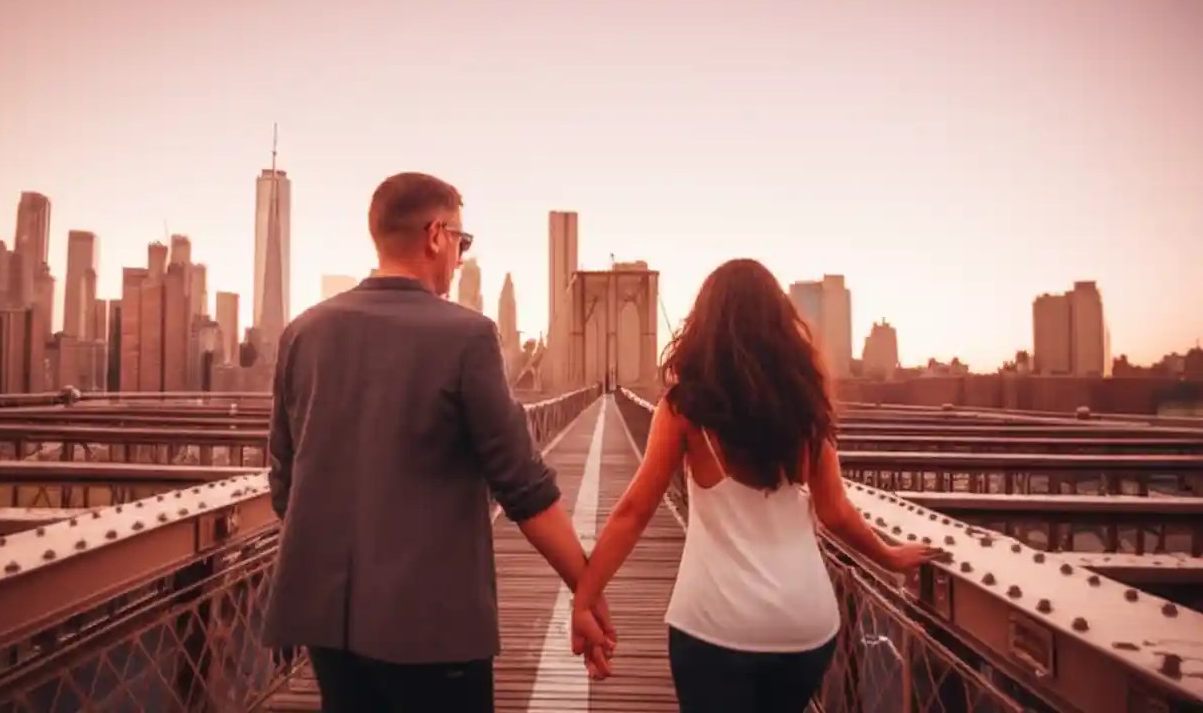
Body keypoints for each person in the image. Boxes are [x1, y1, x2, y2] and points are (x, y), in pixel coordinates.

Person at [262, 172, 615, 712]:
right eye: (461, 241)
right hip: (433, 628)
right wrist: (585, 590)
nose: (460, 256)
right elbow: (523, 485)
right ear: (435, 235)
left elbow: (285, 483)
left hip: (328, 624)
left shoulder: (303, 333)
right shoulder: (467, 335)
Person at [570, 258, 938, 713]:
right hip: (803, 631)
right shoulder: (807, 407)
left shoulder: (685, 408)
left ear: (704, 325)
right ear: (781, 326)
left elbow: (635, 511)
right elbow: (835, 511)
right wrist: (888, 555)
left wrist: (585, 597)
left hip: (713, 630)